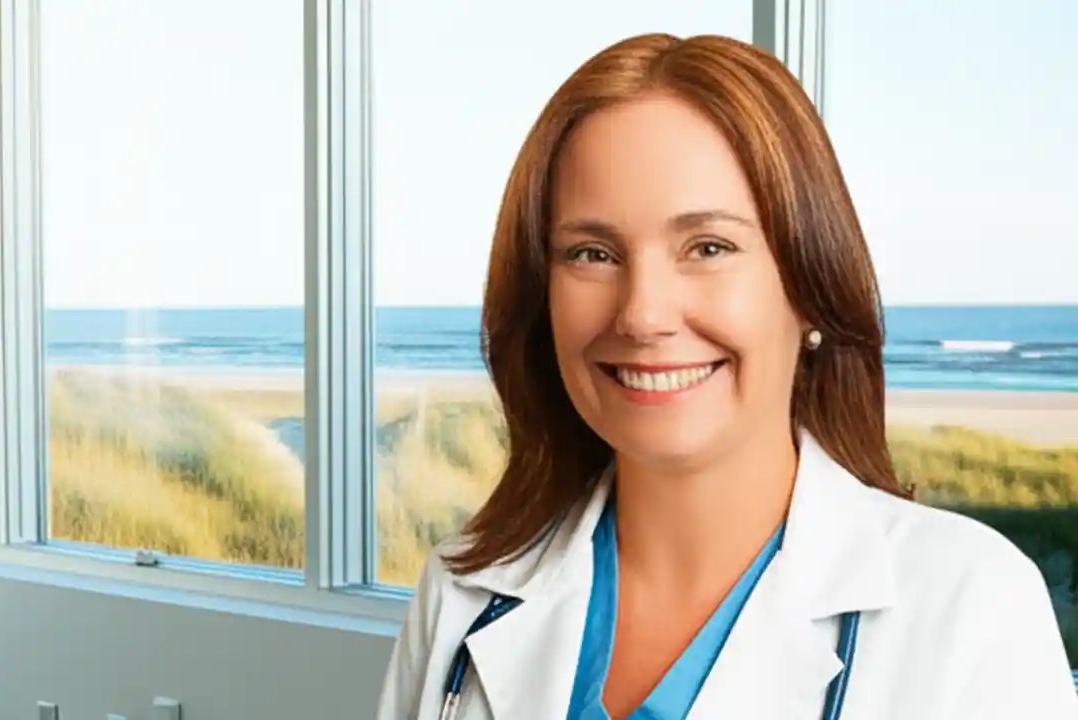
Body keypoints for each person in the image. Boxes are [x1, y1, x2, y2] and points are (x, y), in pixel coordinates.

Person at [375, 32, 1078, 720]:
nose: (643, 314)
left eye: (708, 247)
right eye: (591, 253)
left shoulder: (971, 605)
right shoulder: (463, 588)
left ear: (808, 284)